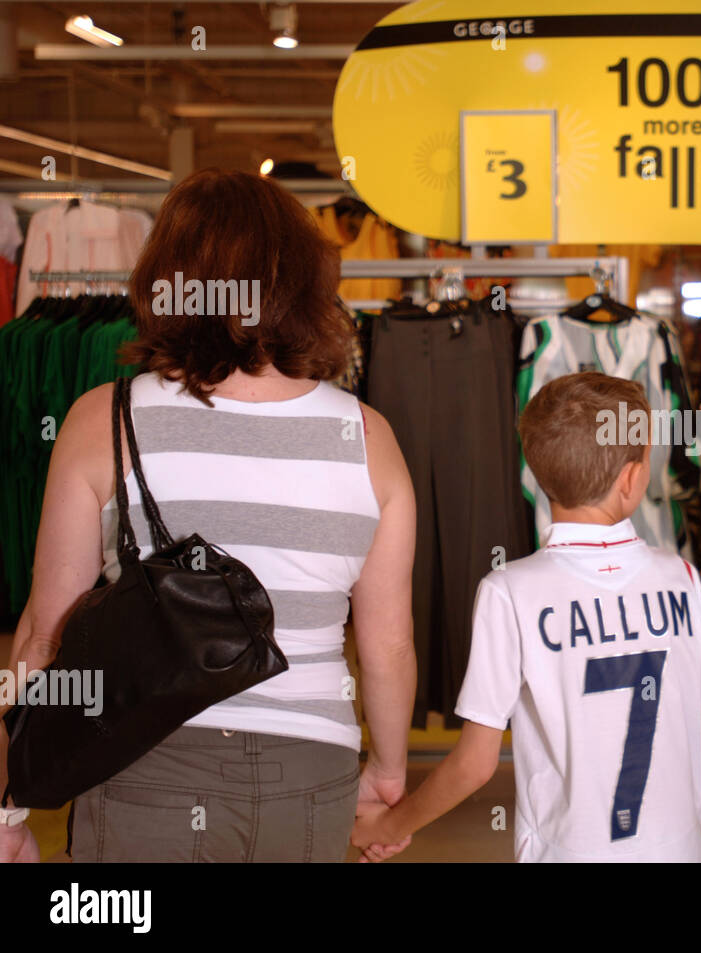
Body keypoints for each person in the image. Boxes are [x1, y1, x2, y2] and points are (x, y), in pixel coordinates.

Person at [0, 168, 418, 862]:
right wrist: (389, 771)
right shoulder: (370, 439)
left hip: (144, 757)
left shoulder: (103, 418)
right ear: (302, 282)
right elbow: (388, 646)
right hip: (311, 774)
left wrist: (9, 803)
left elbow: (45, 635)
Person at [351, 372, 701, 862]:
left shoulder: (510, 592)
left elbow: (476, 764)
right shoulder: (683, 580)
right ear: (632, 478)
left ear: (537, 473)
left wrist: (389, 825)